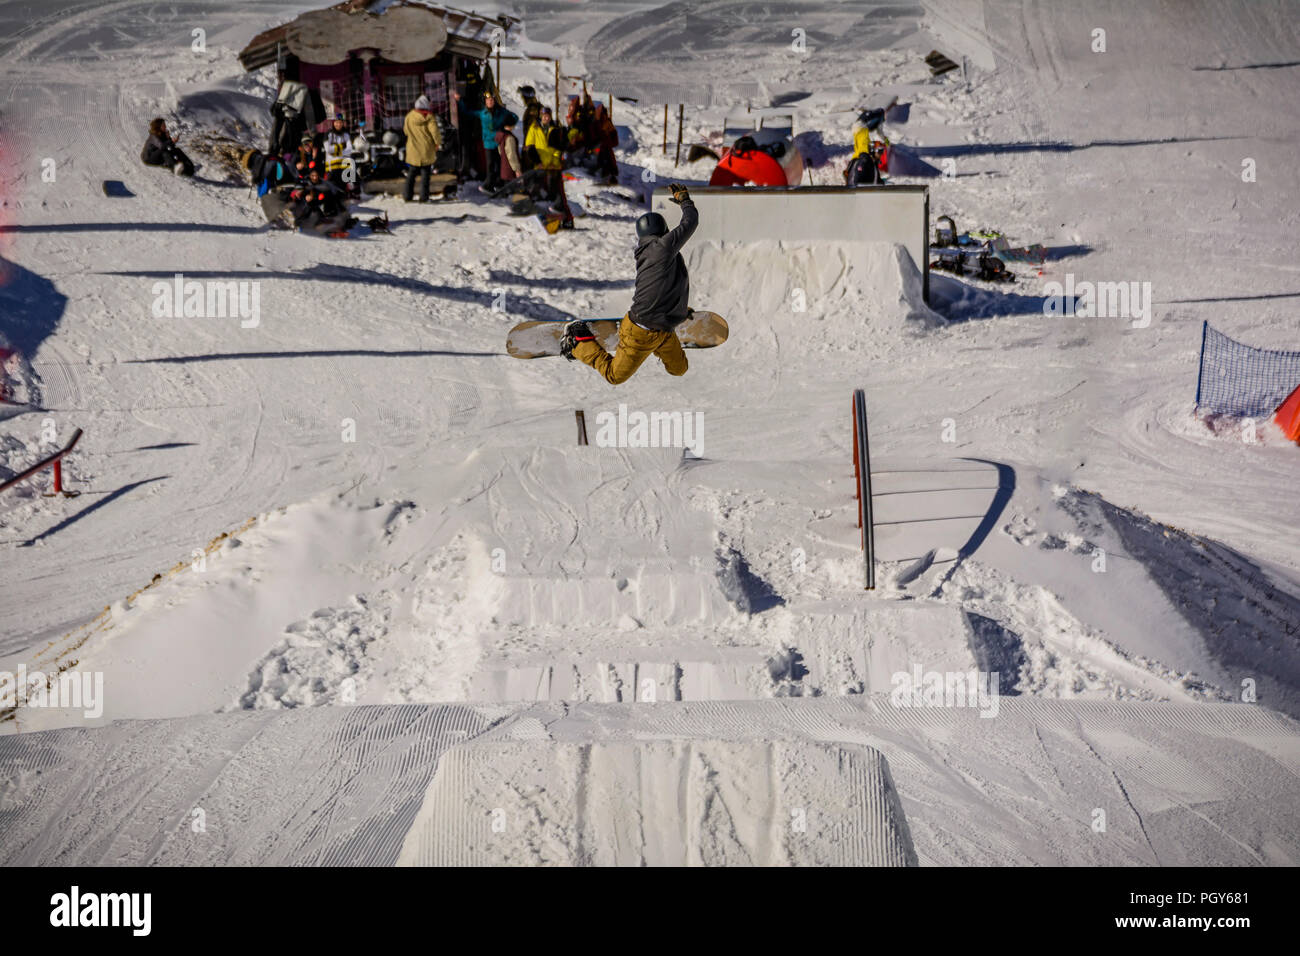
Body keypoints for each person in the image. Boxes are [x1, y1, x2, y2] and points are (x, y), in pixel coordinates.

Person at [561, 183, 697, 383]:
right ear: (664, 231)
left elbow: (662, 286)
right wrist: (684, 200)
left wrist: (679, 310)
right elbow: (691, 221)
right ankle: (578, 343)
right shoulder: (662, 248)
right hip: (640, 331)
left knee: (679, 369)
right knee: (614, 376)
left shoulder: (657, 252)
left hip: (664, 330)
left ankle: (658, 343)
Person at [403, 94, 442, 202]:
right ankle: (424, 197)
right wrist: (438, 143)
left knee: (411, 174)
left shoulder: (409, 116)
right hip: (426, 149)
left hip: (413, 149)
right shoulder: (429, 117)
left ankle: (407, 196)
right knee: (425, 175)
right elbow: (435, 133)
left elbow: (405, 131)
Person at [477, 91, 517, 191]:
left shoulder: (500, 111)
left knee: (500, 164)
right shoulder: (483, 113)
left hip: (498, 142)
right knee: (490, 165)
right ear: (485, 102)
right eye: (488, 100)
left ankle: (499, 184)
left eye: (492, 100)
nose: (490, 102)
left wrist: (508, 125)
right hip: (488, 143)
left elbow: (515, 117)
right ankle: (489, 184)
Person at [323, 113, 353, 191]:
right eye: (336, 122)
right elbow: (328, 149)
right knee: (332, 188)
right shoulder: (328, 134)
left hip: (343, 166)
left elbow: (349, 149)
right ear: (333, 123)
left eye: (340, 122)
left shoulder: (346, 134)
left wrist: (336, 151)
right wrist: (341, 146)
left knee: (343, 187)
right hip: (332, 167)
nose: (338, 124)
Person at [591, 102, 619, 184]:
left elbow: (615, 142)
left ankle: (609, 176)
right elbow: (593, 139)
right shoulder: (594, 124)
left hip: (605, 151)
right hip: (598, 151)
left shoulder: (608, 124)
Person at [495, 114, 522, 190]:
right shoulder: (509, 138)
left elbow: (500, 151)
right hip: (510, 170)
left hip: (503, 168)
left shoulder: (501, 135)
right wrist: (517, 169)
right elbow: (511, 155)